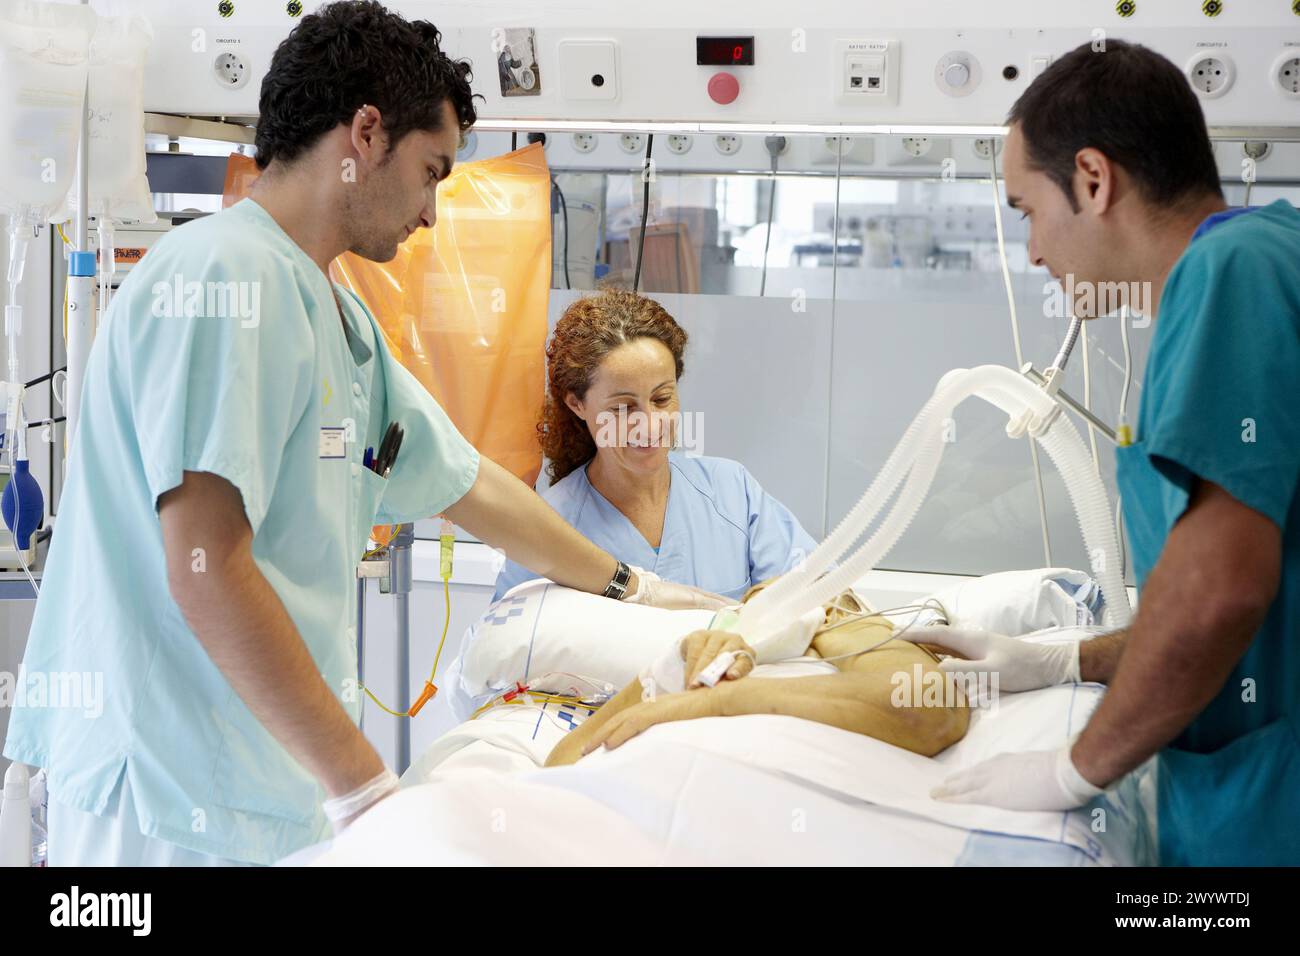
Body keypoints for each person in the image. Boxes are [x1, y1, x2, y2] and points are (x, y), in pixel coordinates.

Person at [2, 0, 722, 867]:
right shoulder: (223, 280)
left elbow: (469, 484)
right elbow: (206, 569)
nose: (430, 214)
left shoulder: (336, 316)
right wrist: (364, 784)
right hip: (165, 796)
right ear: (366, 135)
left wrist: (629, 589)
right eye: (431, 172)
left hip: (264, 784)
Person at [911, 40, 1299, 866]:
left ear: (1093, 179)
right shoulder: (1263, 261)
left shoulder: (1230, 275)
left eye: (1026, 211)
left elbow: (1221, 593)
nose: (1035, 253)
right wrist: (1060, 659)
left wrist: (1071, 770)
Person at [493, 290, 818, 602]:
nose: (650, 424)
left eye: (662, 398)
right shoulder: (549, 525)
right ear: (577, 403)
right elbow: (507, 646)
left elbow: (817, 594)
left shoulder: (732, 492)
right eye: (623, 408)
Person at [544, 587, 969, 767]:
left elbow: (924, 707)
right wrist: (671, 667)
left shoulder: (855, 630)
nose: (768, 595)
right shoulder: (706, 657)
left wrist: (719, 702)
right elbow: (562, 764)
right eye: (753, 596)